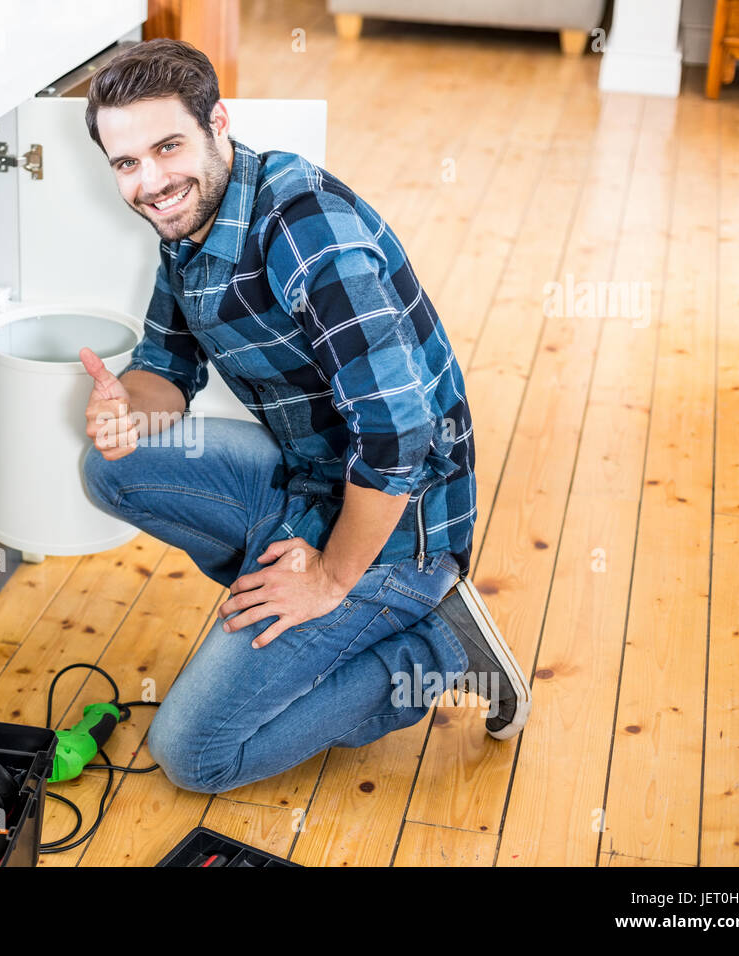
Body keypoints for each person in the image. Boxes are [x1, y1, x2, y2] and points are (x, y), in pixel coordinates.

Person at [77, 38, 529, 795]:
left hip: (399, 526)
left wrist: (326, 577)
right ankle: (294, 586)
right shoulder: (188, 223)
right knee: (109, 468)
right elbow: (166, 368)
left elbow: (397, 438)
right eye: (127, 163)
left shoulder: (307, 232)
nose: (151, 182)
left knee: (194, 755)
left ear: (218, 123)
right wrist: (130, 405)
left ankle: (436, 648)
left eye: (167, 147)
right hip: (307, 477)